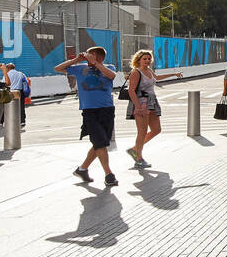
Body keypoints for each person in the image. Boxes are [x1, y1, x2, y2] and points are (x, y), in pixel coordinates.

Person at [54, 46, 119, 186]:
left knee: (101, 143)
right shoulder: (80, 68)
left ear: (99, 57)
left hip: (107, 109)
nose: (88, 56)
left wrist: (96, 63)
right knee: (100, 142)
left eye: (91, 54)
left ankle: (82, 169)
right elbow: (58, 68)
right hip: (89, 111)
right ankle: (109, 174)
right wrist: (77, 59)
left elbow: (111, 76)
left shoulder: (109, 67)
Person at [125, 50, 183, 167]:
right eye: (144, 59)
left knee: (156, 129)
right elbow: (131, 90)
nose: (147, 61)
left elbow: (157, 77)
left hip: (152, 102)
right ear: (139, 60)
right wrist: (137, 106)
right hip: (141, 102)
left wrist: (173, 74)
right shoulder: (136, 72)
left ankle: (135, 149)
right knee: (142, 131)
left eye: (148, 59)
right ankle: (138, 158)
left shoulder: (149, 70)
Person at [3, 62, 30, 128]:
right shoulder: (21, 74)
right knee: (21, 106)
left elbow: (3, 83)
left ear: (8, 68)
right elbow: (25, 82)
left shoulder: (6, 75)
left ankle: (5, 121)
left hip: (9, 91)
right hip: (19, 92)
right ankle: (22, 121)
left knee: (6, 107)